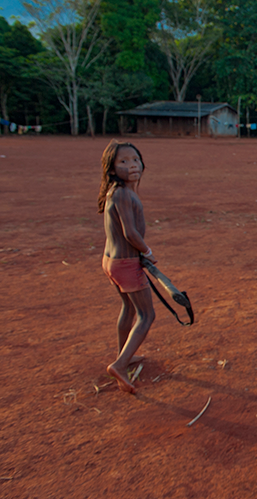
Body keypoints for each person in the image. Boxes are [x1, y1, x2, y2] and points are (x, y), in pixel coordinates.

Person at [97, 140, 157, 394]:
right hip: (125, 263)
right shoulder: (122, 193)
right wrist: (147, 252)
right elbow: (130, 232)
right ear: (111, 169)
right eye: (123, 162)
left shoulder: (118, 191)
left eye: (135, 160)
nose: (132, 165)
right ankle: (120, 364)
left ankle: (125, 354)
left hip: (112, 261)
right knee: (147, 314)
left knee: (129, 308)